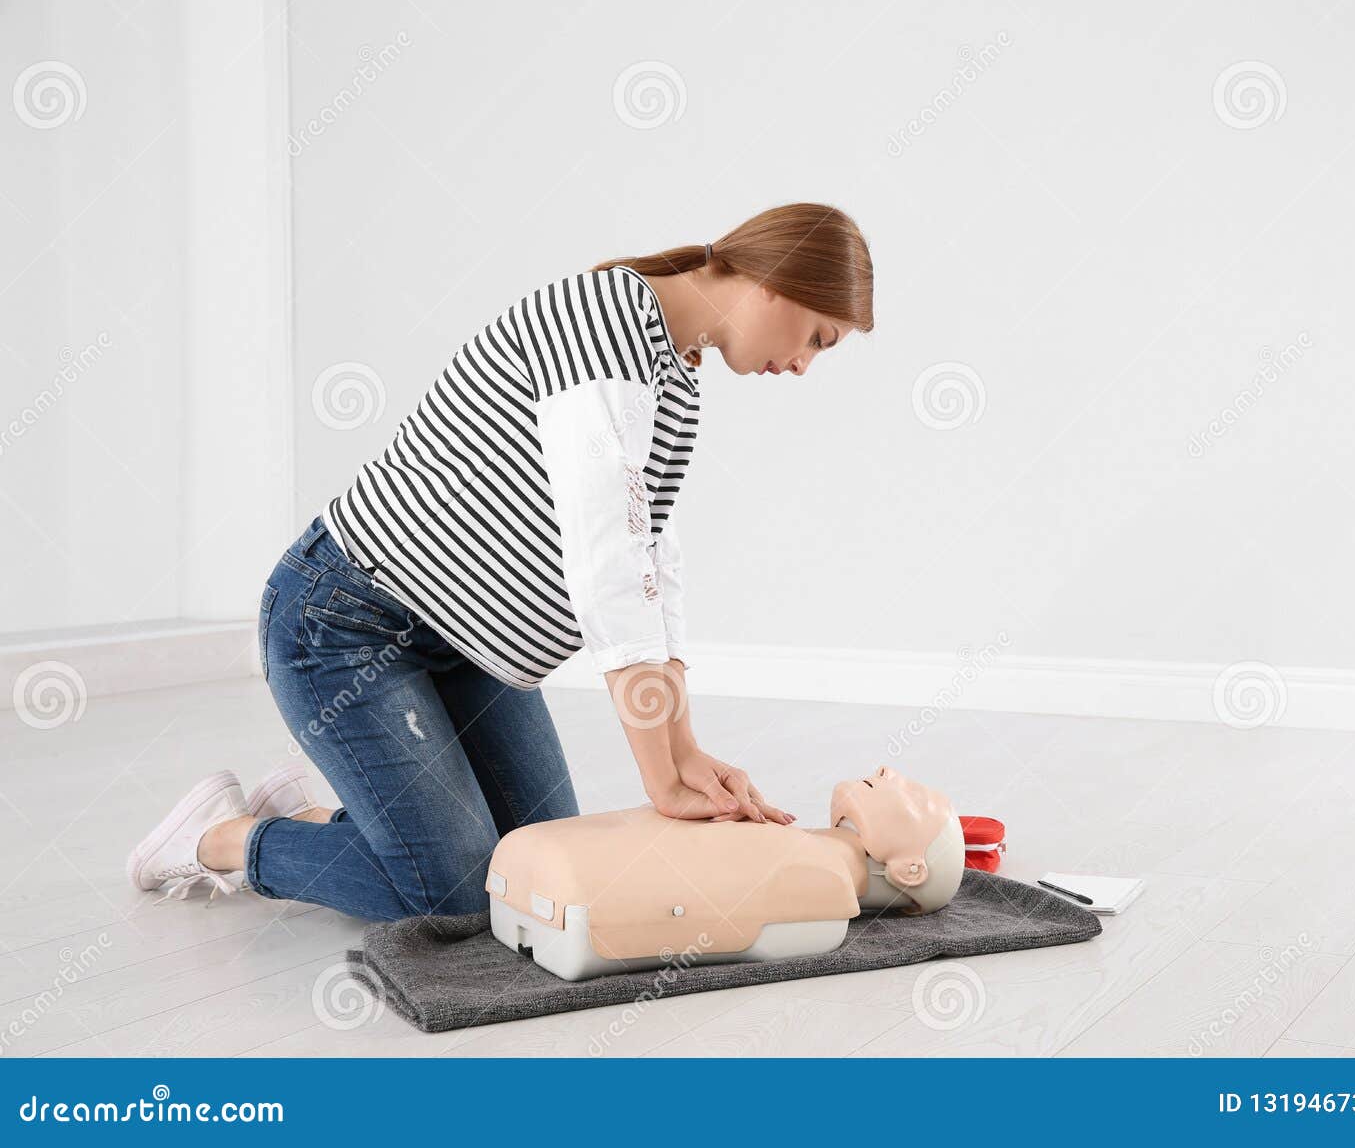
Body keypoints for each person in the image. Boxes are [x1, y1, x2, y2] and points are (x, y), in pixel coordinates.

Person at [125, 202, 875, 921]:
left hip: (470, 653)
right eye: (818, 337)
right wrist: (659, 778)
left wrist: (687, 755)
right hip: (346, 624)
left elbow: (650, 564)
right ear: (782, 284)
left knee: (532, 869)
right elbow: (604, 552)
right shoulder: (607, 321)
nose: (805, 365)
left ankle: (308, 814)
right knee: (453, 894)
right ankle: (220, 836)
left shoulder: (678, 372)